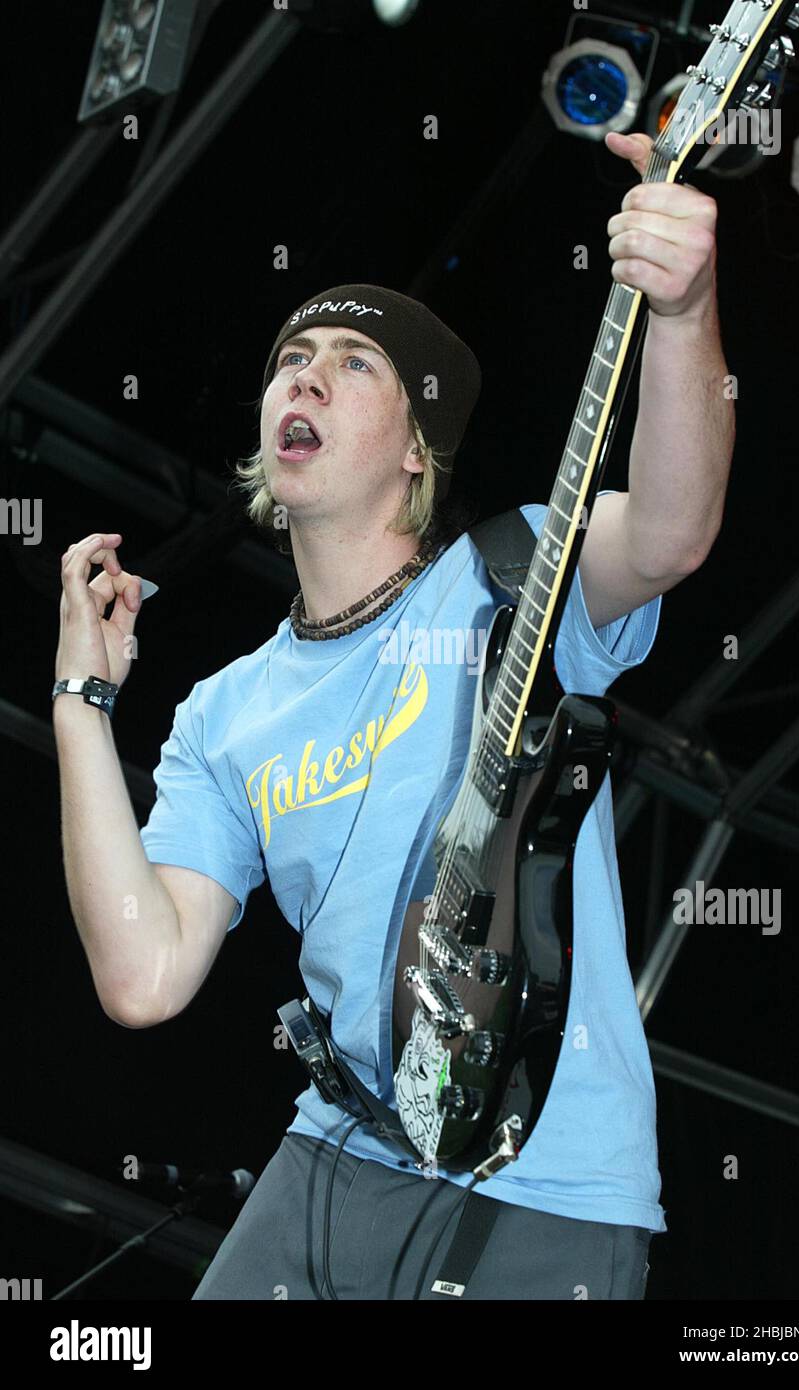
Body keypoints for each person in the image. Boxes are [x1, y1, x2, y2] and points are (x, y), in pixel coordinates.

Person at [53, 131, 734, 1300]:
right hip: (338, 1150)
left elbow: (670, 530)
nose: (303, 378)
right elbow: (144, 973)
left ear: (418, 449)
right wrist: (81, 697)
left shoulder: (507, 576)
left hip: (542, 1184)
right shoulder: (228, 711)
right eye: (291, 360)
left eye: (352, 363)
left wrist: (683, 315)